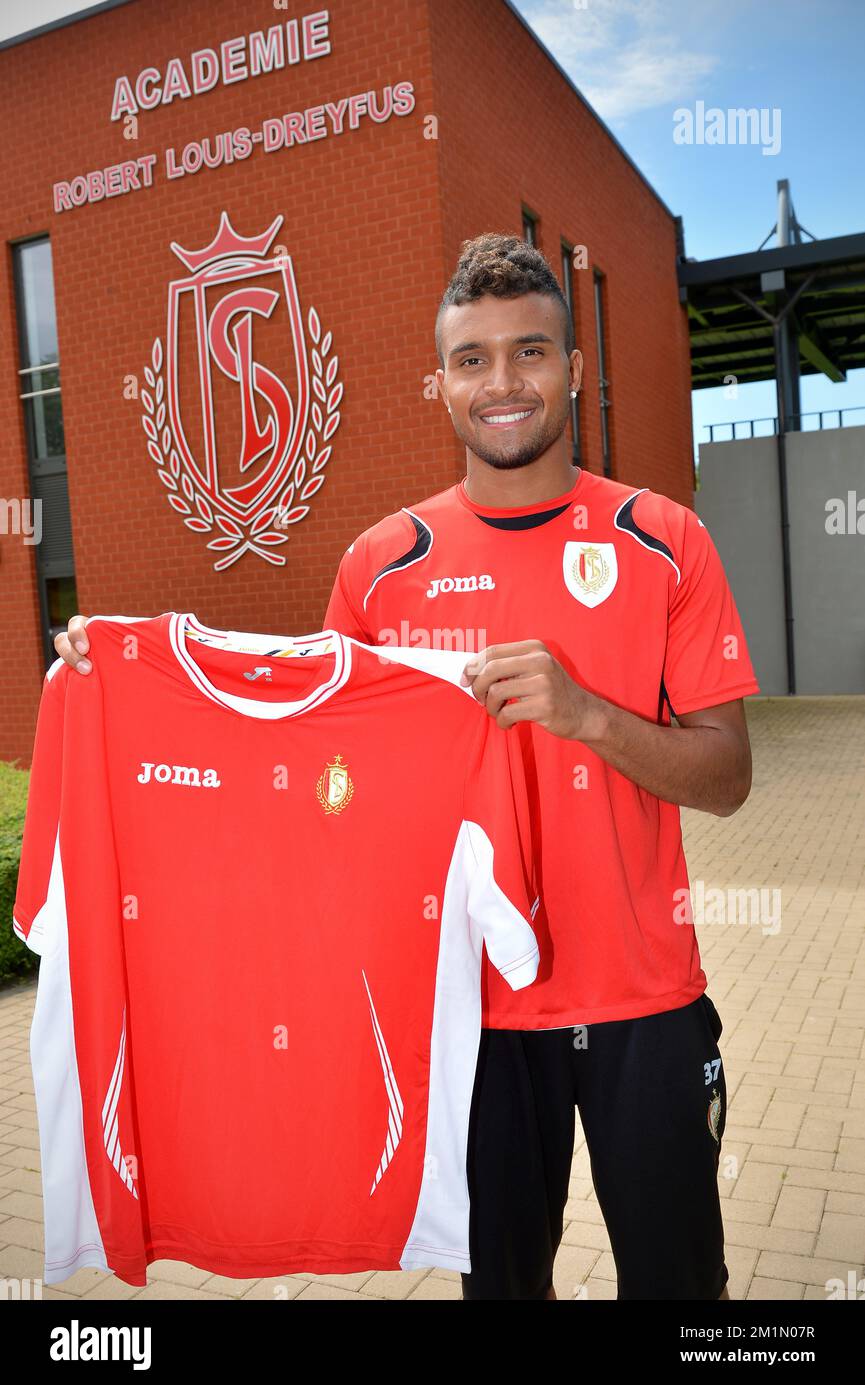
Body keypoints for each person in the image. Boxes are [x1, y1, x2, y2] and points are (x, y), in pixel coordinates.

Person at [54, 233, 758, 1301]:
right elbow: (305, 776)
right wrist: (113, 682)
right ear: (438, 381)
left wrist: (588, 716)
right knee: (502, 1292)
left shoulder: (661, 540)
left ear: (572, 368)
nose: (503, 382)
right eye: (472, 359)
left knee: (680, 1289)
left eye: (530, 351)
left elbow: (727, 777)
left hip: (642, 1002)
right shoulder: (381, 567)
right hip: (463, 1016)